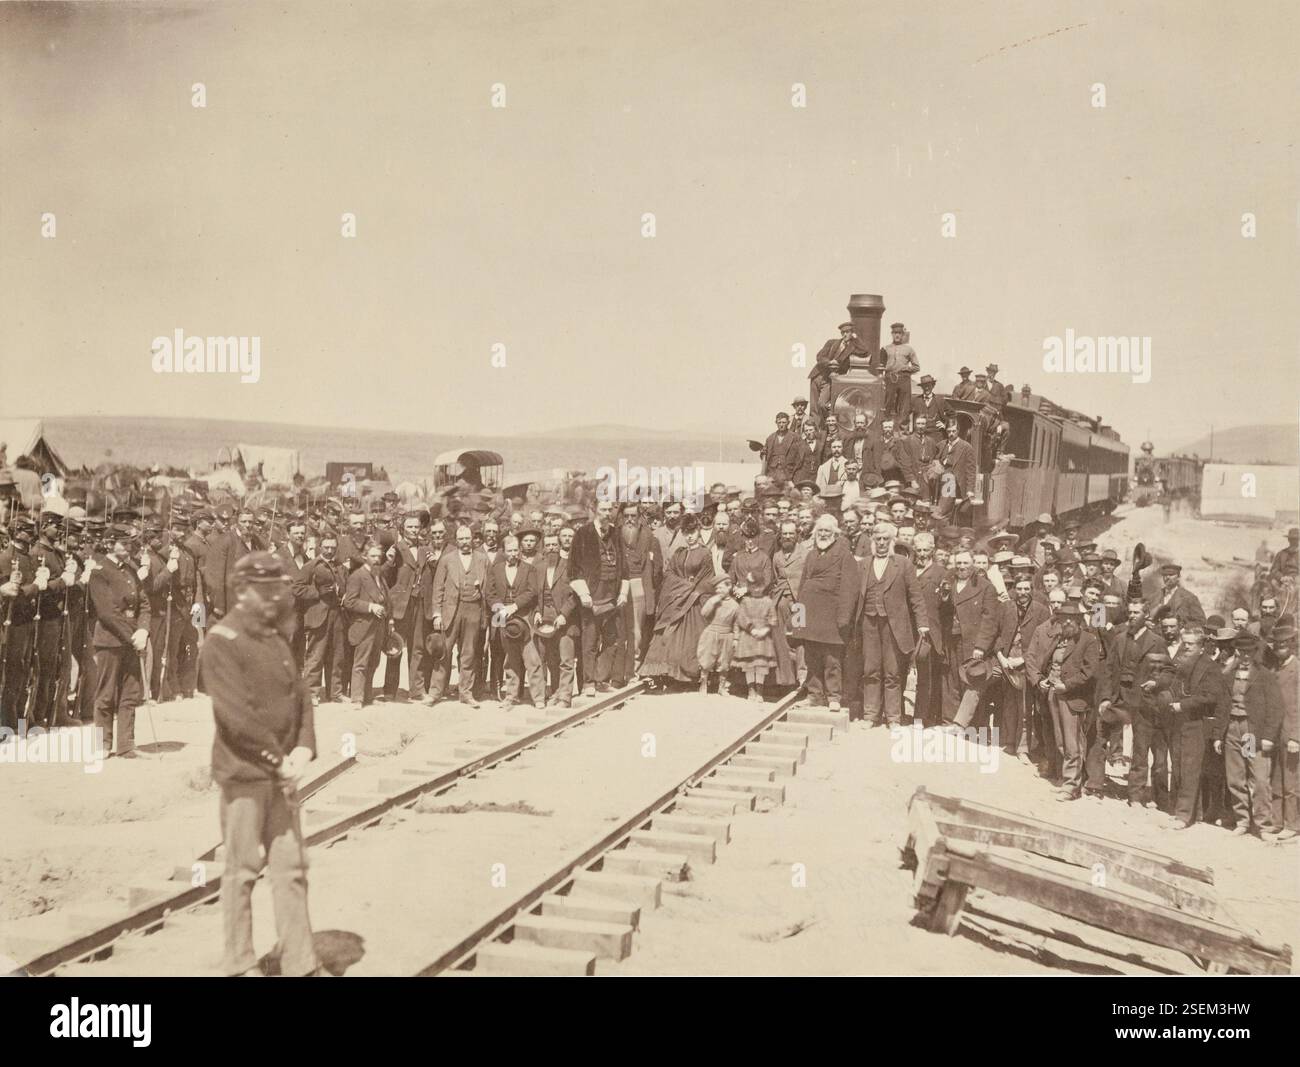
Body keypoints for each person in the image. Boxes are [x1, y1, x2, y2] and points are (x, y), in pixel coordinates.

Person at [201, 552, 320, 977]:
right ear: (242, 591)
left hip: (283, 774)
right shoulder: (222, 640)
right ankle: (239, 964)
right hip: (246, 776)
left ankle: (301, 963)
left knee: (290, 870)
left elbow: (301, 694)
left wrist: (304, 747)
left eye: (277, 589)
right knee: (242, 872)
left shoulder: (273, 636)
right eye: (264, 590)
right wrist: (279, 760)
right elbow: (236, 717)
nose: (273, 598)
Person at [86, 524, 152, 758]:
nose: (128, 546)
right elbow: (107, 612)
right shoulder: (100, 571)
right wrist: (132, 636)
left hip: (133, 638)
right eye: (123, 543)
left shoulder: (131, 569)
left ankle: (126, 745)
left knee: (130, 693)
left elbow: (144, 604)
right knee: (106, 693)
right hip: (110, 640)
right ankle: (101, 744)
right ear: (109, 544)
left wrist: (143, 631)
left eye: (129, 543)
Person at [857, 521, 929, 727]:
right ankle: (870, 715)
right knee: (870, 669)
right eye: (877, 539)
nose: (881, 543)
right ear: (872, 541)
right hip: (868, 623)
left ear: (891, 541)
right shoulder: (863, 564)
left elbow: (915, 596)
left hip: (894, 626)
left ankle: (893, 718)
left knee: (892, 672)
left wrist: (922, 623)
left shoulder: (903, 564)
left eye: (885, 539)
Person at [1031, 602, 1101, 801]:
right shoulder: (1059, 638)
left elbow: (1089, 672)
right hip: (1054, 693)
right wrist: (1044, 679)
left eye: (1072, 618)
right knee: (1061, 741)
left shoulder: (1089, 640)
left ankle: (1071, 787)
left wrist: (1067, 685)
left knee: (1072, 744)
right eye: (1063, 618)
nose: (1068, 621)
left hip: (1072, 697)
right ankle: (1068, 781)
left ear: (1079, 620)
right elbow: (1048, 662)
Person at [1217, 632, 1283, 836]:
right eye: (1241, 651)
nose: (1245, 655)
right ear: (1236, 651)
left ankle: (1263, 824)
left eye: (1249, 652)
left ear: (1255, 652)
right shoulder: (1228, 674)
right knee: (1235, 778)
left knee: (1259, 779)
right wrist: (1219, 735)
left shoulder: (1264, 675)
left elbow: (1275, 708)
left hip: (1251, 732)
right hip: (1233, 730)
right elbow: (1221, 706)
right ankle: (1242, 822)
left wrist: (1268, 737)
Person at [792, 514, 858, 712]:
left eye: (827, 531)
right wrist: (798, 618)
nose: (823, 534)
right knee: (812, 657)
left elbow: (850, 588)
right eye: (820, 530)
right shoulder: (811, 555)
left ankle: (833, 697)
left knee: (832, 659)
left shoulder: (844, 555)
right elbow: (803, 586)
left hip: (831, 617)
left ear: (835, 534)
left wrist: (844, 618)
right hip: (810, 613)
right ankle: (814, 695)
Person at [639, 514, 712, 686]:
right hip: (677, 600)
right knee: (664, 633)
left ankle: (685, 676)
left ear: (698, 531)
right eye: (686, 533)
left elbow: (707, 580)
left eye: (693, 532)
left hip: (694, 602)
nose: (690, 536)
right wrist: (684, 585)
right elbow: (669, 575)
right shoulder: (679, 553)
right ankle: (661, 672)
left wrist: (692, 591)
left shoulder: (705, 553)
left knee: (686, 643)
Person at [569, 499, 629, 695]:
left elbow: (624, 567)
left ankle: (602, 678)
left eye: (609, 510)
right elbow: (574, 568)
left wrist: (622, 592)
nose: (607, 514)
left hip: (612, 597)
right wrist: (583, 593)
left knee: (613, 640)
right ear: (594, 511)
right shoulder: (583, 534)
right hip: (591, 597)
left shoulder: (616, 533)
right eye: (603, 510)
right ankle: (588, 683)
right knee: (590, 642)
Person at [426, 524, 487, 707]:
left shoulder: (482, 559)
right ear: (456, 540)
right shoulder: (447, 559)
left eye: (467, 538)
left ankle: (465, 693)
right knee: (443, 652)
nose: (465, 542)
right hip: (450, 611)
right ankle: (435, 693)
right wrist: (437, 614)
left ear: (472, 539)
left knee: (468, 653)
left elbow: (488, 589)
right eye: (461, 539)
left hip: (473, 610)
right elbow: (438, 588)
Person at [486, 533, 543, 708]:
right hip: (502, 617)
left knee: (531, 658)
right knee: (510, 659)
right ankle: (511, 696)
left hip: (523, 616)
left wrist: (515, 606)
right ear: (504, 551)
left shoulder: (529, 569)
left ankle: (538, 698)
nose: (513, 554)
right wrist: (500, 608)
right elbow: (490, 593)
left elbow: (532, 592)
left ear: (519, 551)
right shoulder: (495, 569)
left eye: (515, 550)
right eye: (509, 550)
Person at [293, 533, 347, 704]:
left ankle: (335, 692)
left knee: (337, 655)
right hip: (318, 615)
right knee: (316, 655)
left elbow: (345, 586)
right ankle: (311, 693)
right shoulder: (311, 565)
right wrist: (318, 593)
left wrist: (342, 592)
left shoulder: (340, 566)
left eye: (333, 547)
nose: (330, 551)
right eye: (326, 547)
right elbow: (297, 588)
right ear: (319, 547)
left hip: (337, 615)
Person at [342, 542, 389, 707]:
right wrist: (370, 607)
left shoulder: (379, 575)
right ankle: (357, 698)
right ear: (365, 557)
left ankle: (368, 696)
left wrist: (389, 620)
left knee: (374, 662)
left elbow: (385, 599)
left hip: (379, 626)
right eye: (373, 556)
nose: (377, 559)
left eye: (379, 556)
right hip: (363, 625)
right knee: (361, 663)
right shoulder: (357, 576)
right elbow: (349, 602)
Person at [1267, 621, 1298, 839]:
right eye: (1277, 644)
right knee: (1276, 779)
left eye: (1284, 644)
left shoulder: (1297, 670)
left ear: (1292, 645)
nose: (1280, 647)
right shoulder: (1275, 669)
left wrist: (1296, 736)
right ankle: (1277, 821)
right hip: (1275, 734)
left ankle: (1292, 825)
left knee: (1291, 782)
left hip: (1291, 734)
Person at [734, 581, 777, 701]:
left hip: (763, 638)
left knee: (761, 665)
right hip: (748, 636)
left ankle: (759, 691)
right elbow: (741, 617)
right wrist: (751, 630)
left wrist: (765, 630)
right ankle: (751, 690)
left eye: (759, 586)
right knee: (749, 665)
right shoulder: (745, 601)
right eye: (754, 587)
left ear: (763, 587)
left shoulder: (768, 601)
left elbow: (773, 618)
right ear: (750, 587)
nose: (756, 590)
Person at [809, 322, 863, 419]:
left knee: (822, 404)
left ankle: (826, 427)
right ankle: (816, 432)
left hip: (830, 380)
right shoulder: (832, 342)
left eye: (847, 332)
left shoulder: (853, 348)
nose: (845, 334)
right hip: (817, 375)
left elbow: (865, 350)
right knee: (814, 409)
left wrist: (856, 338)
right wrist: (830, 362)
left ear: (852, 333)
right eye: (843, 332)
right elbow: (820, 356)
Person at [697, 575, 739, 695]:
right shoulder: (713, 601)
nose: (718, 591)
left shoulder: (735, 605)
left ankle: (721, 687)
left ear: (729, 587)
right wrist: (712, 602)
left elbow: (737, 624)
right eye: (716, 589)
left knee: (725, 662)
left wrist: (736, 638)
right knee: (706, 660)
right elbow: (704, 614)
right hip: (711, 633)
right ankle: (703, 685)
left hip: (727, 635)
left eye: (721, 588)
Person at [880, 321, 919, 423]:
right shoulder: (885, 349)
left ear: (902, 335)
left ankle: (902, 430)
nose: (897, 335)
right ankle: (886, 427)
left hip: (903, 379)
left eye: (899, 333)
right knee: (887, 403)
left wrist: (905, 369)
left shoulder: (909, 349)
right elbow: (880, 367)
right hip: (889, 378)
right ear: (892, 334)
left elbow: (916, 367)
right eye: (895, 333)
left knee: (904, 405)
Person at [1146, 562, 1206, 628]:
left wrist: (1183, 628)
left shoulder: (1189, 597)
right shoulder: (1154, 597)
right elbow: (1144, 616)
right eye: (1165, 575)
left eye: (1171, 574)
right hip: (1156, 636)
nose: (1167, 577)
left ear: (1178, 577)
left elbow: (1201, 621)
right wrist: (1146, 622)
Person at [762, 412, 802, 485]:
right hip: (772, 475)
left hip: (788, 476)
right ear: (776, 423)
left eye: (784, 422)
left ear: (788, 423)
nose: (781, 425)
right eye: (779, 422)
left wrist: (794, 477)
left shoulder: (795, 437)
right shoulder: (770, 438)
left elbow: (800, 459)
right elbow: (765, 457)